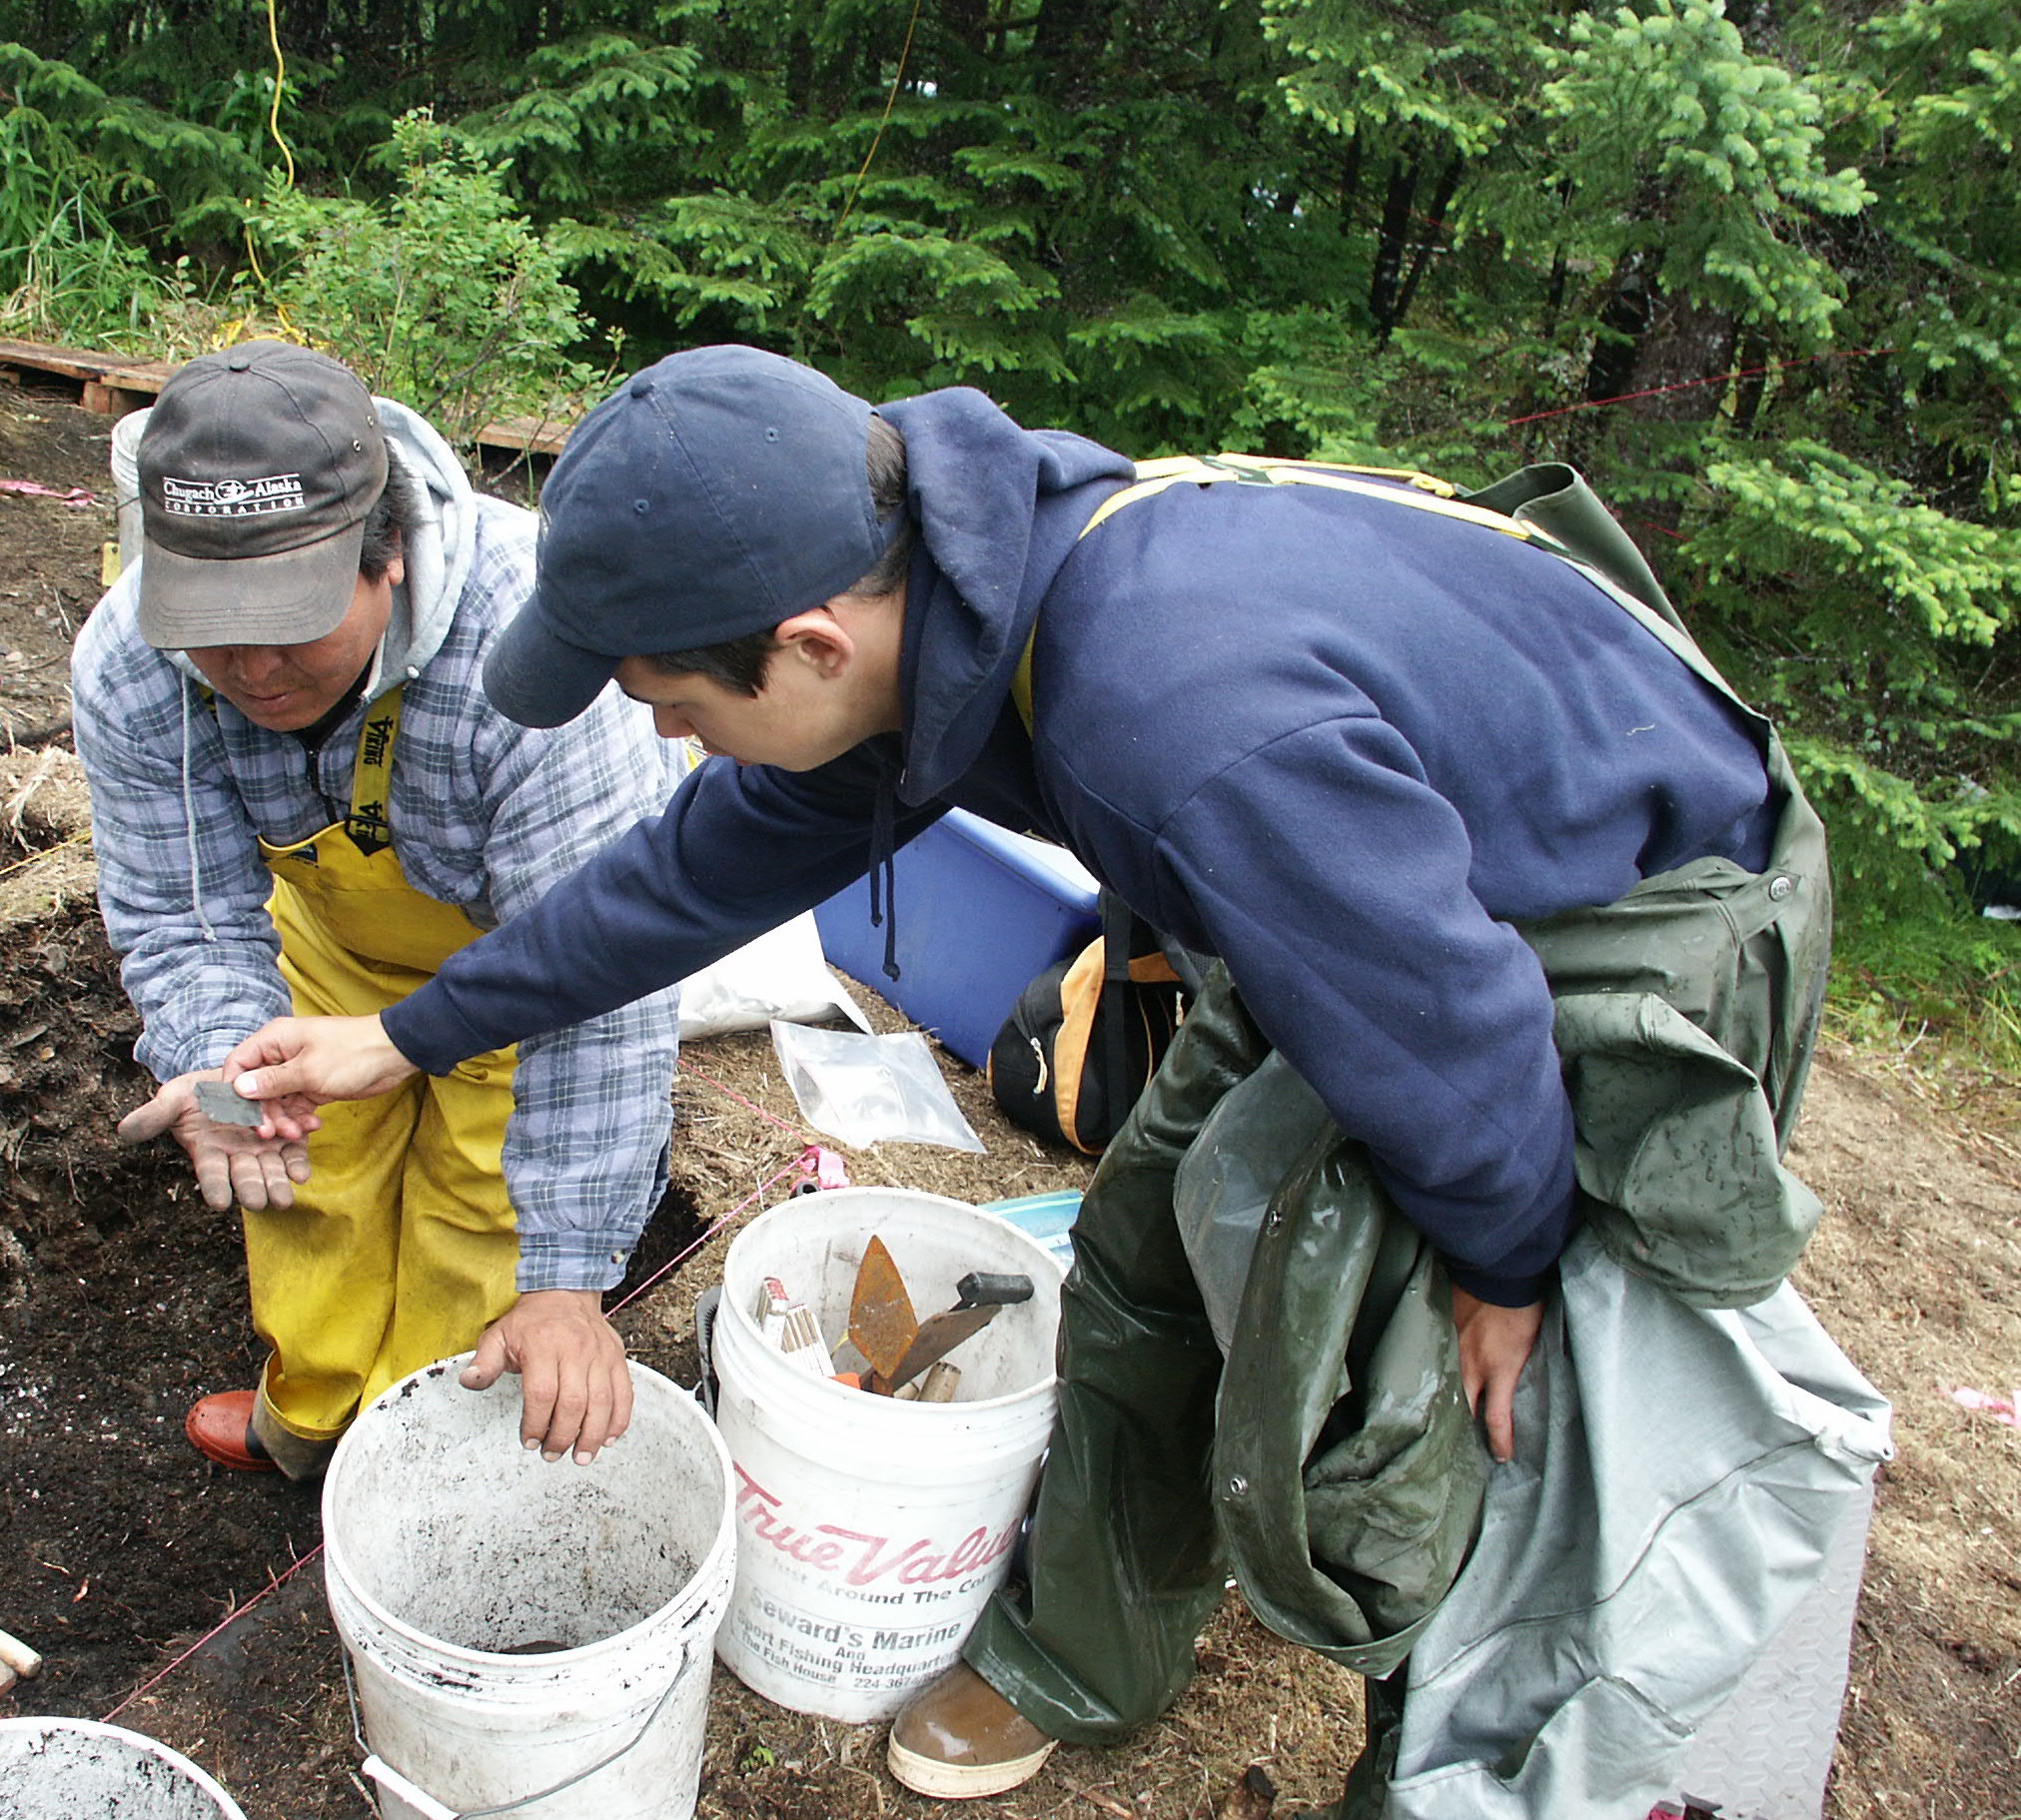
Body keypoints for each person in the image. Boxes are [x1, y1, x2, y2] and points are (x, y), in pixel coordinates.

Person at [221, 346, 1853, 1810]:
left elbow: (1446, 1019)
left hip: (1600, 918)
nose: (665, 741)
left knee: (1421, 1399)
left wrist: (1505, 1259)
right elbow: (679, 879)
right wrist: (400, 1037)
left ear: (803, 641)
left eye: (674, 703)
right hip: (1360, 893)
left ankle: (1459, 1751)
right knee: (1143, 1259)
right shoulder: (930, 597)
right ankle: (1086, 1657)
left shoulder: (1168, 712)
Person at [74, 341, 681, 1480]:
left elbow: (602, 979)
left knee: (480, 1215)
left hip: (522, 964)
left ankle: (416, 1465)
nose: (250, 668)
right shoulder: (135, 659)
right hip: (333, 952)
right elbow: (183, 912)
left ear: (386, 553)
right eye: (212, 621)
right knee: (306, 1173)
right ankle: (306, 1423)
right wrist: (218, 1066)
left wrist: (566, 1283)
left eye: (290, 619)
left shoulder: (535, 646)